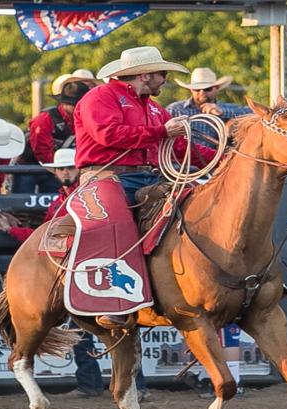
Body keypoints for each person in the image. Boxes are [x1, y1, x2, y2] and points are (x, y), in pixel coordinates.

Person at [73, 45, 215, 329]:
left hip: (151, 176)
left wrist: (225, 156)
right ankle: (112, 300)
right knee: (116, 223)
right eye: (162, 73)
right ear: (146, 74)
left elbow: (177, 146)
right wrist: (162, 132)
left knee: (199, 207)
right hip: (106, 175)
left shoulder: (154, 107)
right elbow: (107, 135)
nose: (164, 79)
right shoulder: (100, 97)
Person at [0, 148, 105, 396]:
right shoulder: (62, 200)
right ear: (54, 172)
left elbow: (49, 238)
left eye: (69, 167)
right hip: (72, 269)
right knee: (84, 327)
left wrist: (13, 231)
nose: (66, 172)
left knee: (87, 326)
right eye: (62, 168)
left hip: (82, 267)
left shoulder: (76, 198)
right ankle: (93, 382)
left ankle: (97, 383)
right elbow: (48, 237)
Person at [21, 68, 94, 195]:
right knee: (23, 204)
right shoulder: (44, 120)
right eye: (76, 104)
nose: (80, 108)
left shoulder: (86, 118)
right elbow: (42, 151)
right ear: (64, 104)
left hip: (63, 168)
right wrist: (61, 169)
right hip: (32, 166)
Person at [167, 67, 250, 149]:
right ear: (191, 90)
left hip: (218, 159)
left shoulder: (224, 107)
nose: (202, 93)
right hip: (184, 159)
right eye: (197, 89)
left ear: (216, 89)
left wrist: (222, 112)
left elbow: (252, 112)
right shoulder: (175, 109)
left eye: (207, 89)